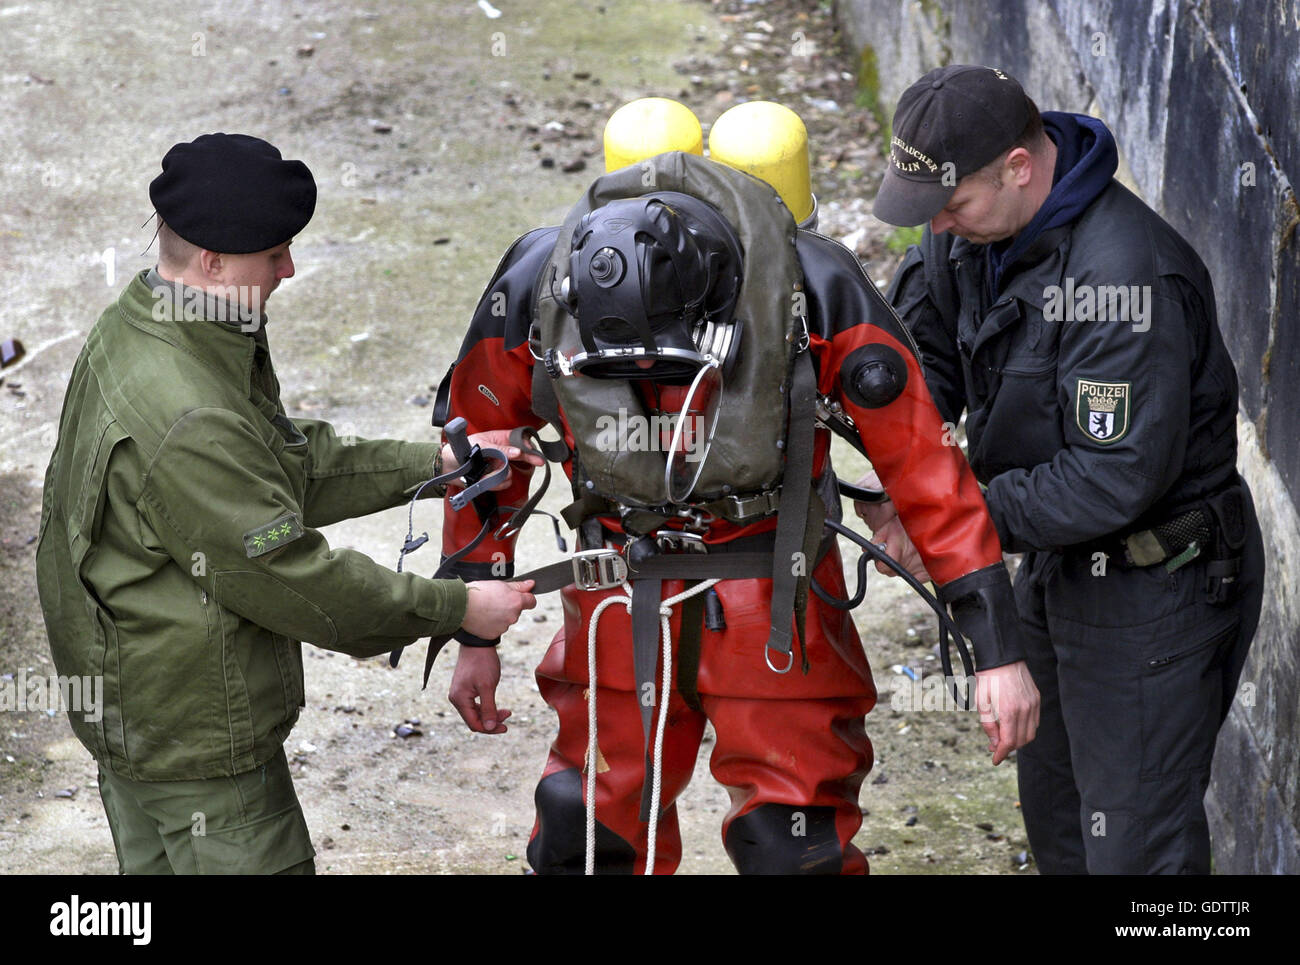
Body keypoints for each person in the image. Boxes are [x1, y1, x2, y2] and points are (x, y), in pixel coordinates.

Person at [434, 104, 1039, 875]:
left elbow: (924, 470)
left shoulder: (808, 285)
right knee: (585, 831)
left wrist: (996, 652)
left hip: (768, 590)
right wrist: (471, 630)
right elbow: (482, 447)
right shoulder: (543, 283)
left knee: (791, 840)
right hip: (622, 586)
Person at [35, 132, 537, 875]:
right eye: (274, 254)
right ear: (213, 260)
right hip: (197, 744)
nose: (290, 269)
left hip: (138, 714)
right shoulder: (188, 410)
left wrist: (434, 463)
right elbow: (291, 576)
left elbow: (267, 461)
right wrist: (453, 606)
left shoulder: (147, 321)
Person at [865, 65, 1266, 874]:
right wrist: (905, 462)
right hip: (1057, 567)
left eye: (951, 206)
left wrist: (952, 513)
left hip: (1155, 588)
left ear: (1019, 167)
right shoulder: (974, 231)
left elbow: (1110, 476)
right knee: (1060, 827)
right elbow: (925, 351)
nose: (937, 228)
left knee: (1135, 853)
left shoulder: (1124, 278)